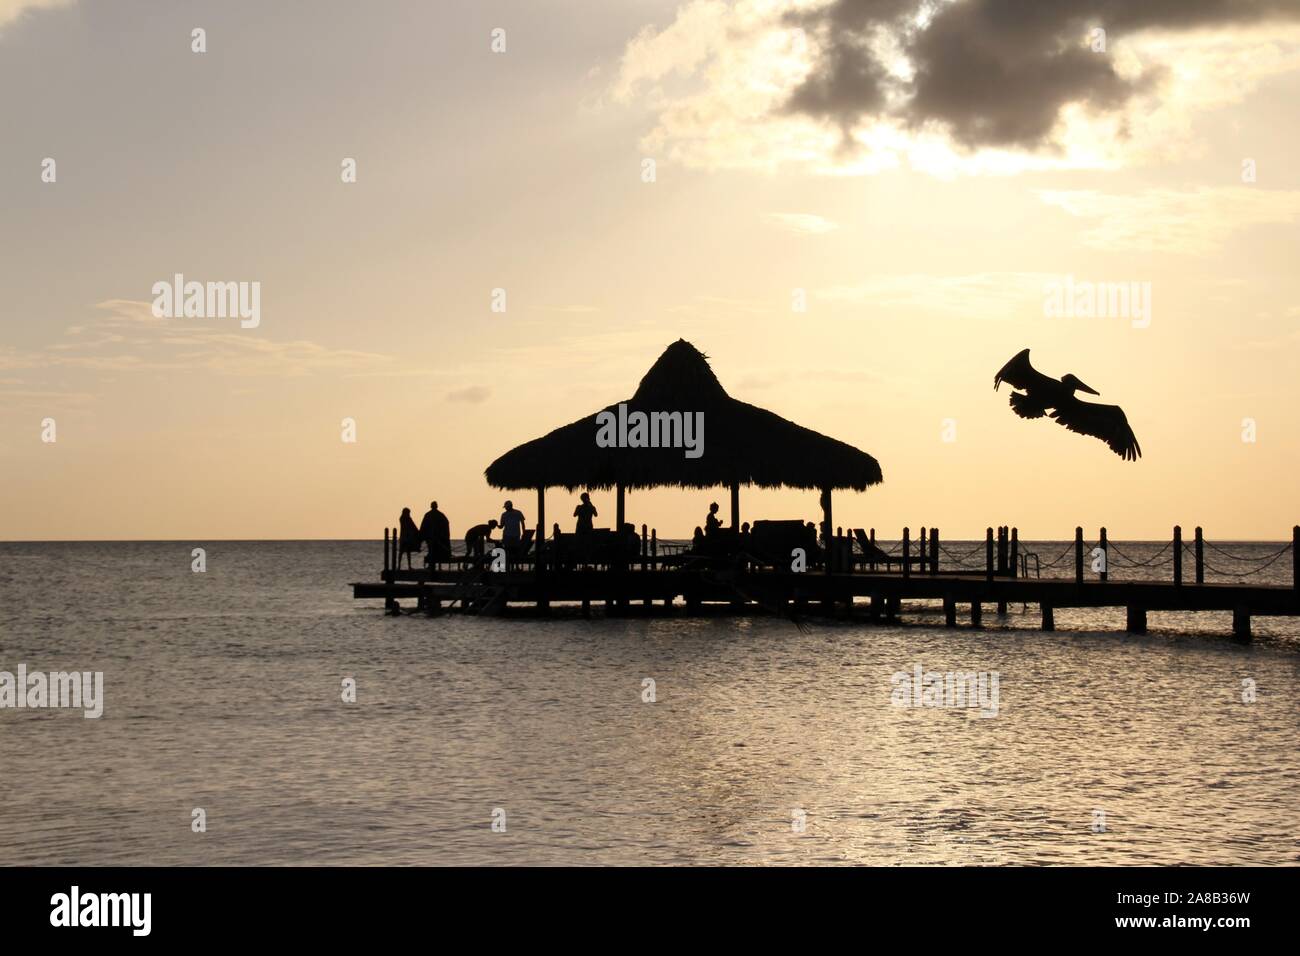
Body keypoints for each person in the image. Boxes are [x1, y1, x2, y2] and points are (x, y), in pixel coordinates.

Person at [419, 501, 451, 566]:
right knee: (434, 551)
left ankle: (432, 565)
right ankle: (433, 565)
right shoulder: (440, 515)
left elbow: (423, 526)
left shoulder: (428, 515)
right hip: (435, 537)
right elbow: (446, 523)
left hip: (433, 537)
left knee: (432, 551)